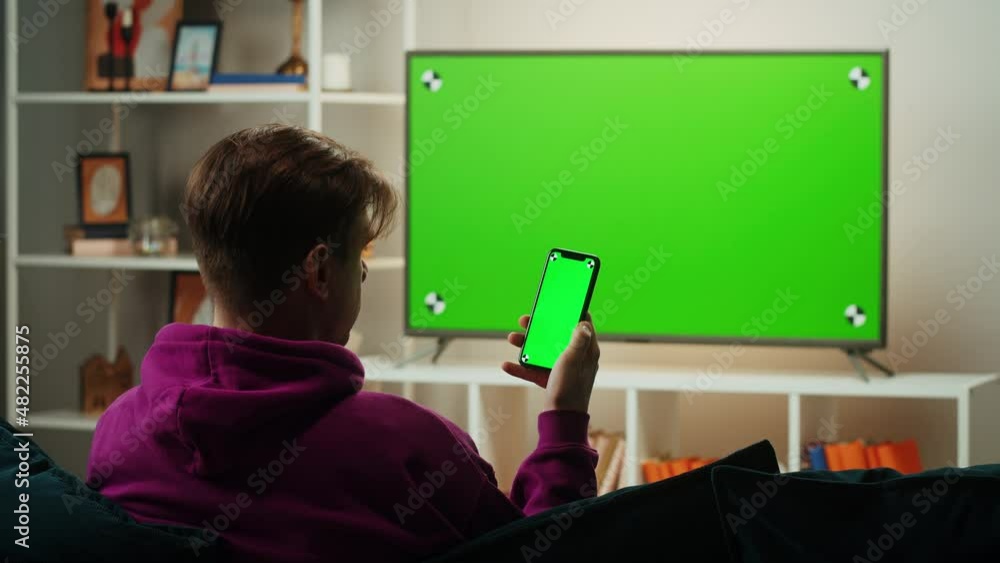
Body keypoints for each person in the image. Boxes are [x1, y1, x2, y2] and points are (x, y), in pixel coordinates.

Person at [87, 125, 602, 563]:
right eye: (359, 255)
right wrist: (565, 420)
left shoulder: (118, 432)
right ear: (318, 271)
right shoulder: (410, 448)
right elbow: (550, 550)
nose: (362, 272)